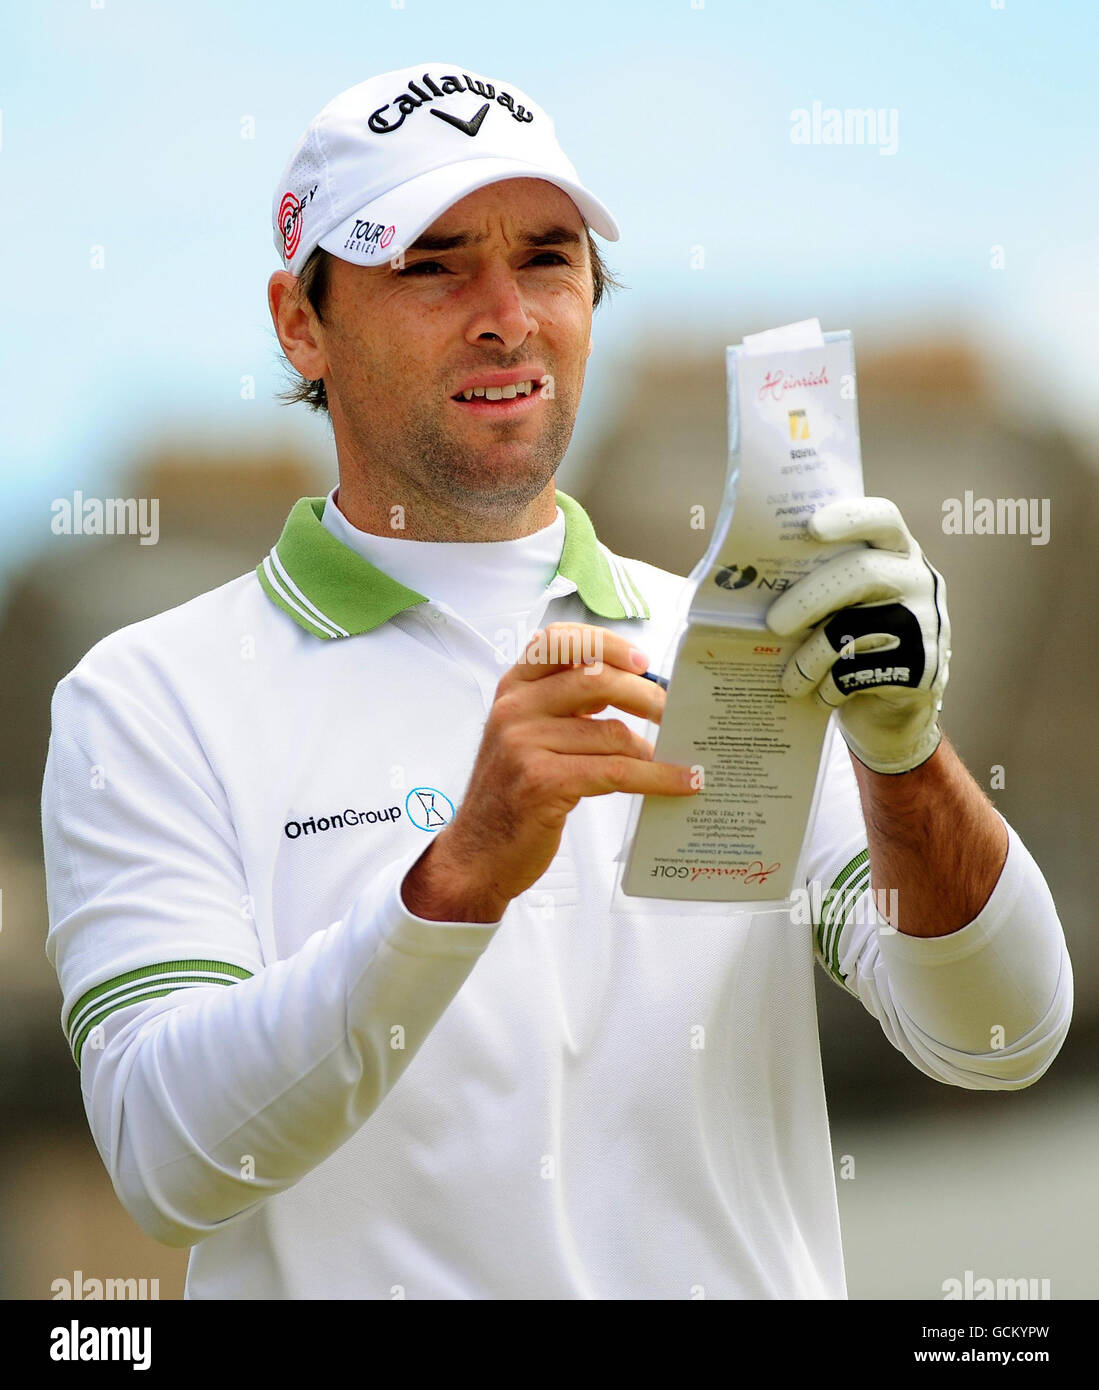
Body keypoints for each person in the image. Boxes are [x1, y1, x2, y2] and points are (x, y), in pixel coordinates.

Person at [42, 61, 1071, 1300]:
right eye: (429, 263)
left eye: (546, 256)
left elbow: (1001, 1037)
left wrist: (905, 754)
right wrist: (459, 874)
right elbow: (171, 1162)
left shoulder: (734, 638)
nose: (506, 314)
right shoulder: (147, 697)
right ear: (299, 320)